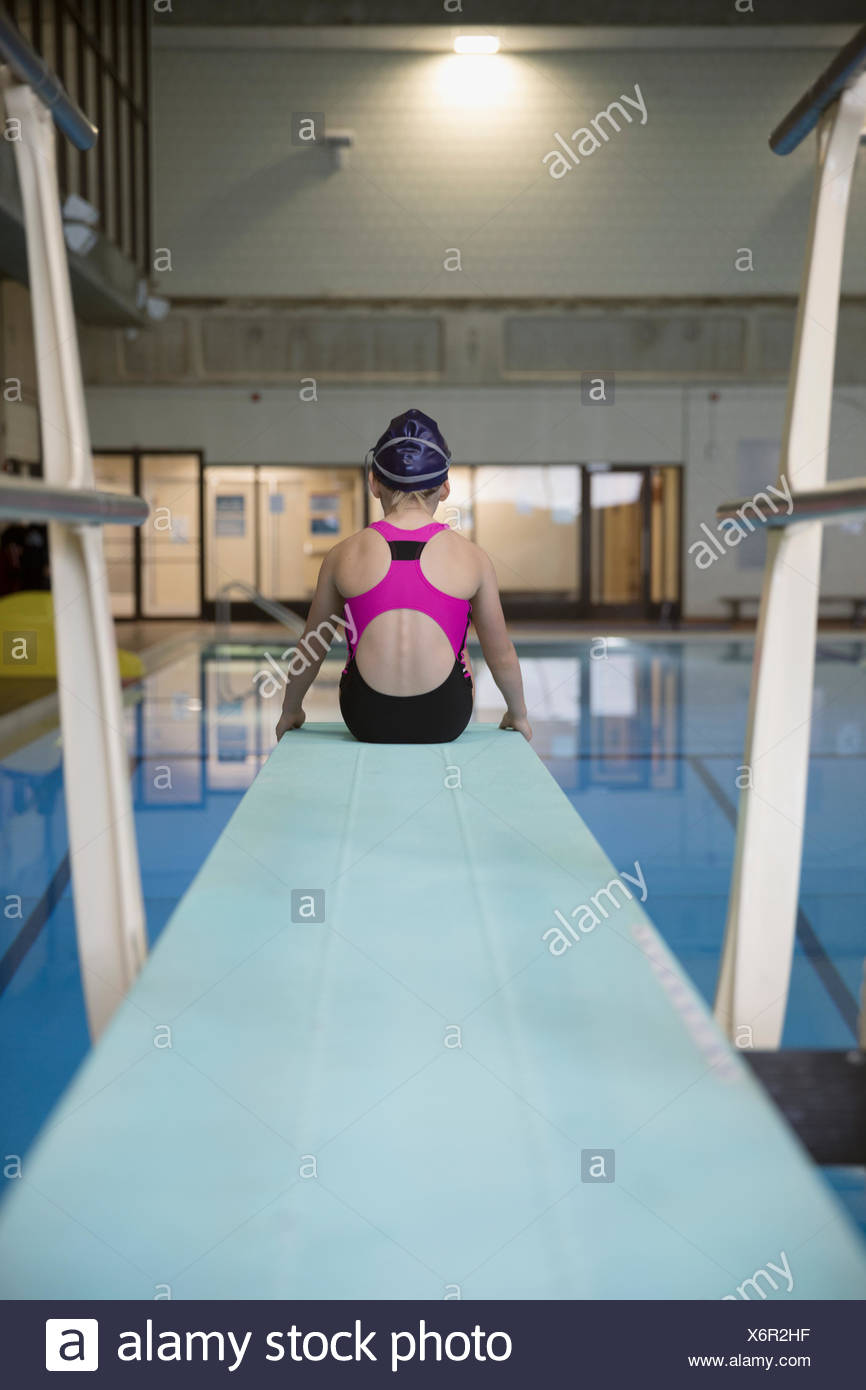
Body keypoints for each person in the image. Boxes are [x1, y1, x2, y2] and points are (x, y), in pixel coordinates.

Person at [275, 408, 531, 744]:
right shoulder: (473, 557)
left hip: (366, 718)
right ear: (444, 488)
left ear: (374, 483)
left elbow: (312, 645)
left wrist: (290, 710)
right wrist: (518, 713)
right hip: (445, 718)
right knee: (461, 640)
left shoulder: (342, 554)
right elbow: (501, 653)